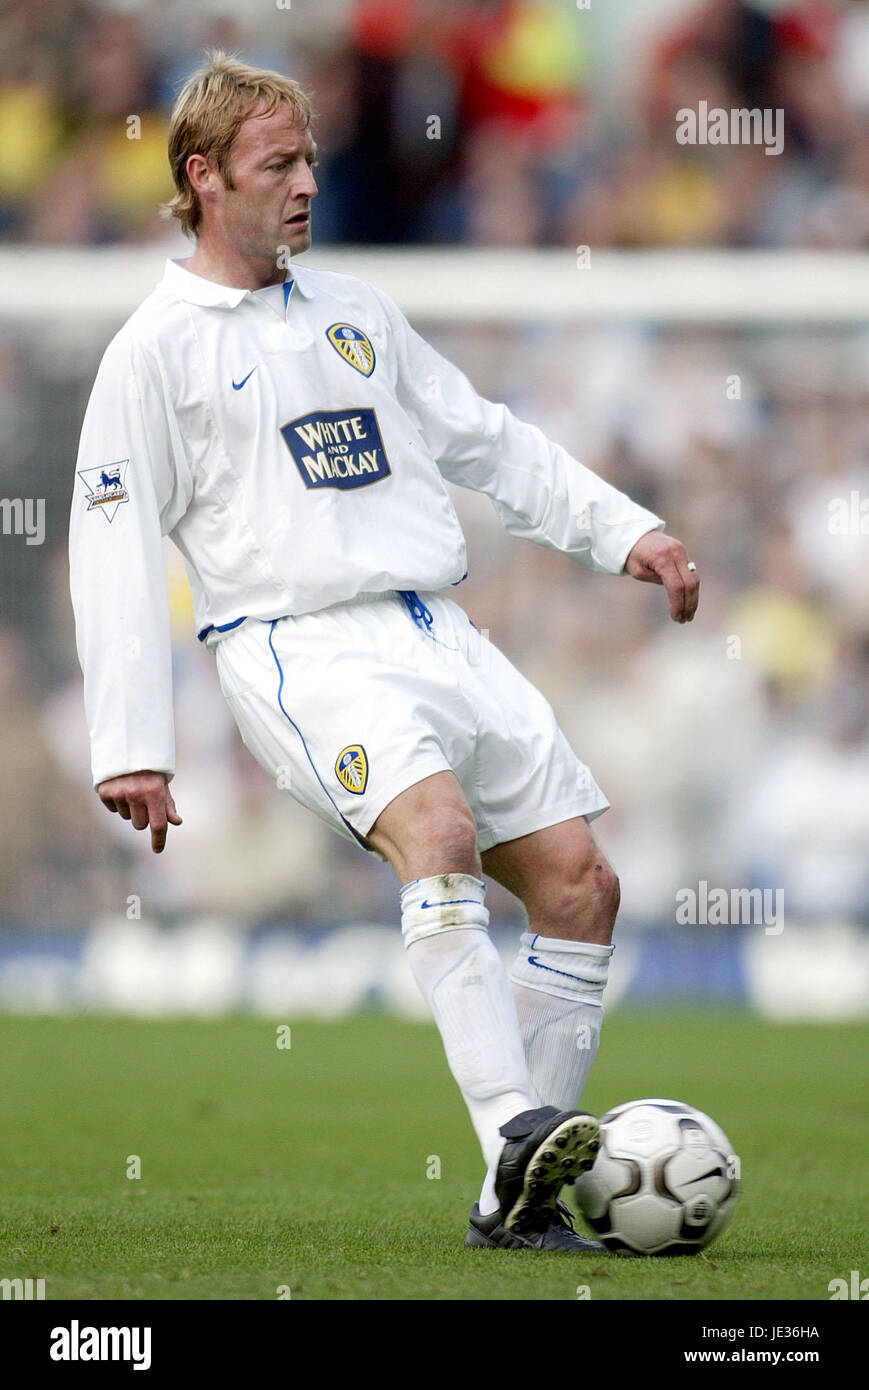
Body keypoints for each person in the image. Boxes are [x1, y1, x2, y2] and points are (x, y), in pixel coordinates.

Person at [69, 53, 699, 1253]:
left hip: (435, 629)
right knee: (440, 833)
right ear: (201, 178)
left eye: (308, 159)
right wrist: (130, 744)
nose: (305, 183)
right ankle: (513, 1123)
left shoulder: (356, 311)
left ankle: (513, 1199)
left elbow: (487, 441)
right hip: (298, 647)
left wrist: (630, 532)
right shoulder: (151, 351)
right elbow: (108, 547)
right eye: (276, 166)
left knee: (579, 886)